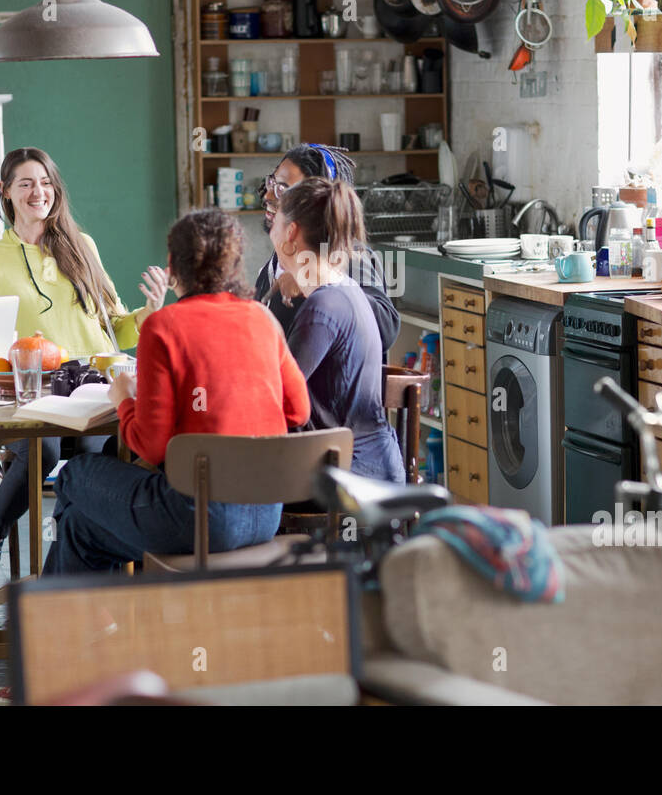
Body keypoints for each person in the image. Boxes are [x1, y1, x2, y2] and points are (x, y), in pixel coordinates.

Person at [42, 208, 311, 575]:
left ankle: (59, 619)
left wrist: (124, 399)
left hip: (197, 519)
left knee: (75, 473)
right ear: (234, 265)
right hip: (264, 514)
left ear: (171, 265)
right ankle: (86, 625)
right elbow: (298, 411)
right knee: (78, 529)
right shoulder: (261, 319)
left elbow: (150, 446)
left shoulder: (164, 326)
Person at [0, 147, 168, 595]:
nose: (39, 192)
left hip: (94, 383)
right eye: (26, 183)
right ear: (6, 192)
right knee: (47, 450)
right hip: (30, 389)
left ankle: (89, 565)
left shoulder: (82, 245)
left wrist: (152, 310)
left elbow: (117, 327)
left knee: (103, 452)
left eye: (46, 182)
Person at [270, 177, 406, 483]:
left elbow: (274, 395)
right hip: (363, 466)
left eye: (275, 219)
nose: (271, 229)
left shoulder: (324, 307)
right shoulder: (340, 290)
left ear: (291, 232)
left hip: (350, 476)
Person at [255, 144, 399, 354]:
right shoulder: (279, 260)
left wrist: (315, 279)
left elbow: (386, 328)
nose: (268, 195)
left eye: (282, 189)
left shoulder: (345, 253)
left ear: (315, 199)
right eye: (272, 182)